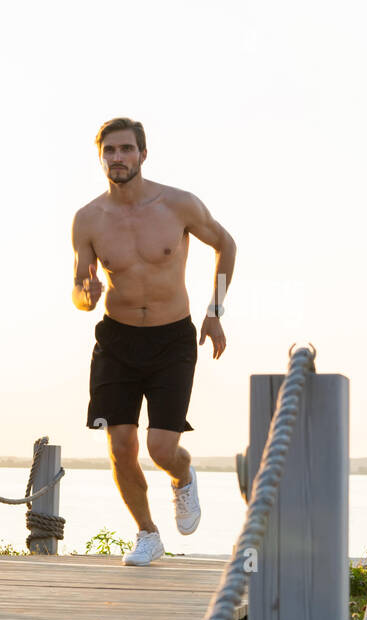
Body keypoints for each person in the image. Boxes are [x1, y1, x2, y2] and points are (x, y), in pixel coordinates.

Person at [71, 117, 236, 566]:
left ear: (143, 154)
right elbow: (79, 290)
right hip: (117, 341)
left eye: (127, 149)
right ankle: (147, 533)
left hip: (172, 340)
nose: (118, 158)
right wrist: (86, 296)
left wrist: (215, 311)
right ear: (101, 156)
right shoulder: (88, 219)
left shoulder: (177, 205)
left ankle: (182, 477)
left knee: (161, 448)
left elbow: (226, 244)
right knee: (120, 444)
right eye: (110, 151)